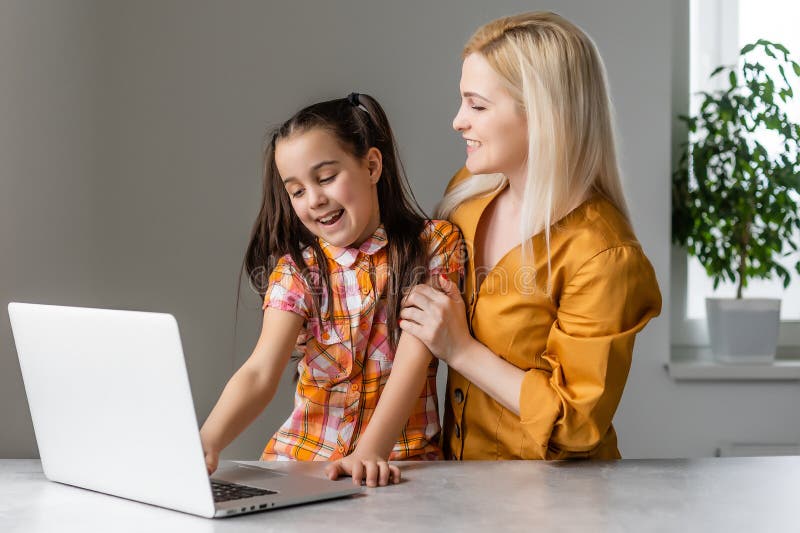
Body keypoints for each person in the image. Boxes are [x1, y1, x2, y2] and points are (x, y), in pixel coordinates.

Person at [399, 12, 662, 460]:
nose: (458, 121)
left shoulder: (604, 255)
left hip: (556, 507)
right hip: (458, 492)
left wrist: (461, 351)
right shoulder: (465, 197)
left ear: (541, 115)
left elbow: (576, 424)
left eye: (477, 105)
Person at [200, 93, 463, 486]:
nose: (315, 199)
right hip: (303, 462)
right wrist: (206, 441)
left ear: (372, 165)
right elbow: (259, 372)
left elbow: (414, 358)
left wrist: (371, 450)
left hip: (397, 465)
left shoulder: (433, 246)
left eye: (325, 178)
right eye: (297, 191)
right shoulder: (298, 272)